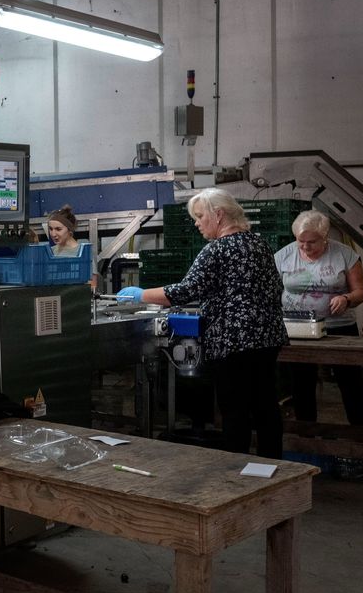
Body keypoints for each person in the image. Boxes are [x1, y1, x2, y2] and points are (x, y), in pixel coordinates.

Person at [117, 188, 288, 457]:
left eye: (200, 216)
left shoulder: (216, 250)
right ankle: (276, 466)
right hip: (267, 338)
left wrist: (140, 295)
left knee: (235, 411)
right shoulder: (260, 244)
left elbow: (184, 291)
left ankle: (237, 469)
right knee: (265, 406)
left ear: (218, 215)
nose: (197, 223)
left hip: (233, 343)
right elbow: (275, 288)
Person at [275, 210, 363, 426]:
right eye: (301, 241)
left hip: (339, 327)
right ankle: (307, 431)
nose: (305, 247)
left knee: (350, 380)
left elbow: (361, 292)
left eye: (312, 242)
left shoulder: (344, 254)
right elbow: (270, 288)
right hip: (298, 328)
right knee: (302, 382)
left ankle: (360, 431)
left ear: (325, 237)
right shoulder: (284, 255)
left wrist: (346, 298)